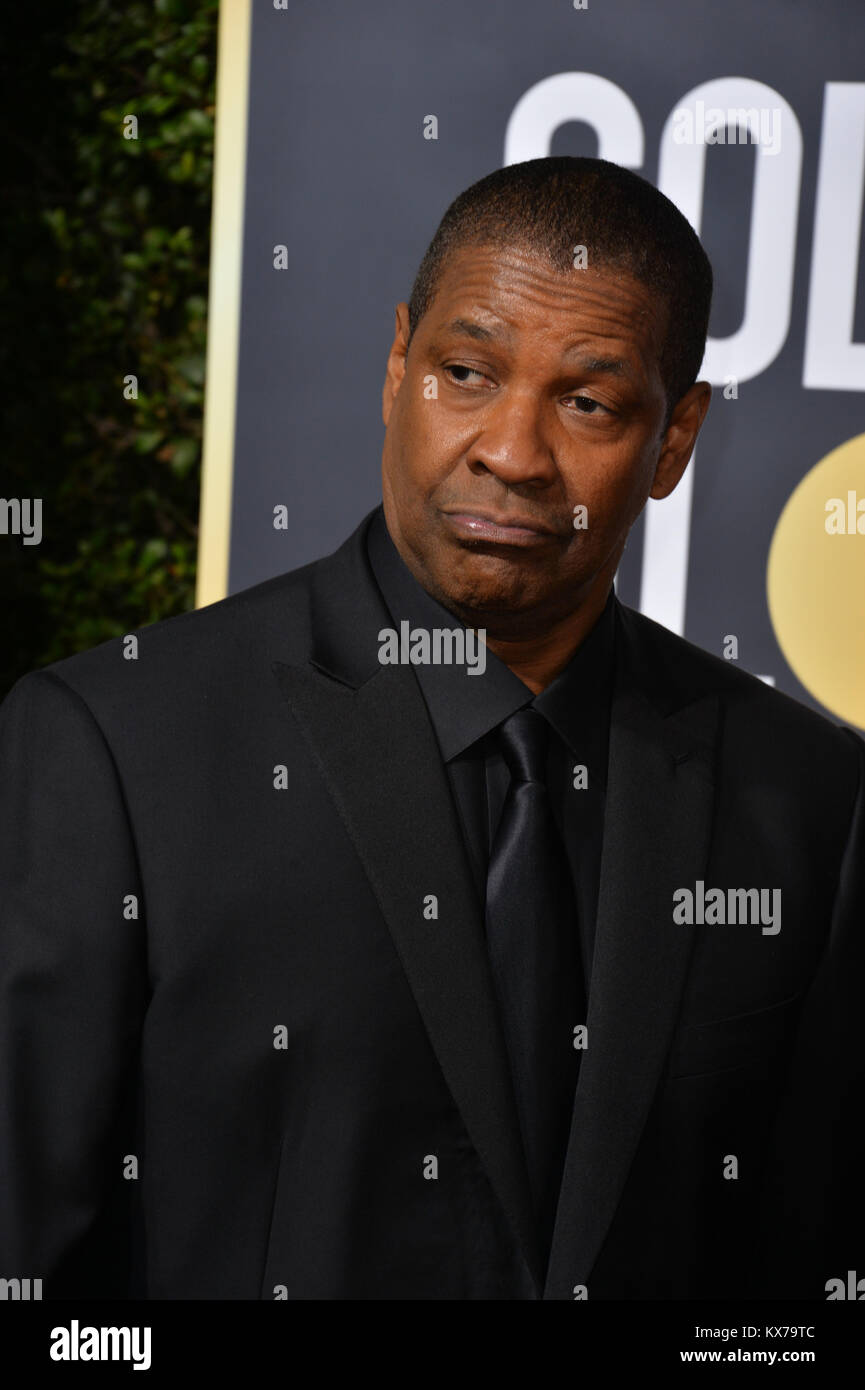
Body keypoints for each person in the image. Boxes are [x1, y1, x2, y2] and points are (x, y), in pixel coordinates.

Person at [1, 156, 862, 1302]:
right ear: (397, 362)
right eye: (465, 372)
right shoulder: (116, 748)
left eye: (588, 400)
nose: (510, 452)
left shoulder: (802, 798)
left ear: (673, 439)